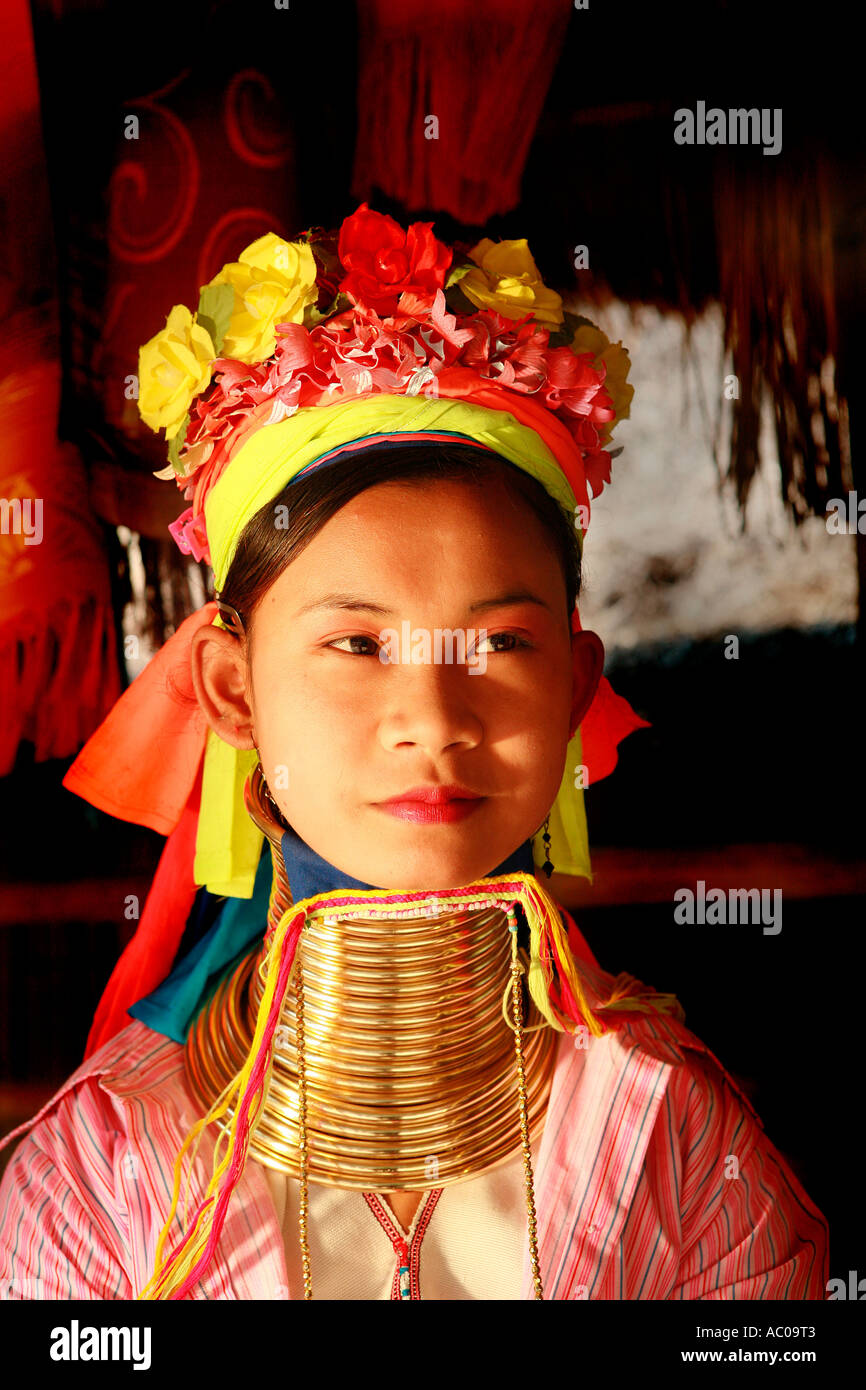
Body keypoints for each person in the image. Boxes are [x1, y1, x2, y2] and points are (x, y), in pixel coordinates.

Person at [0, 205, 828, 1300]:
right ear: (232, 688)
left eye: (497, 642)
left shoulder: (674, 1141)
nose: (432, 718)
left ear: (577, 685)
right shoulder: (105, 1179)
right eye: (355, 642)